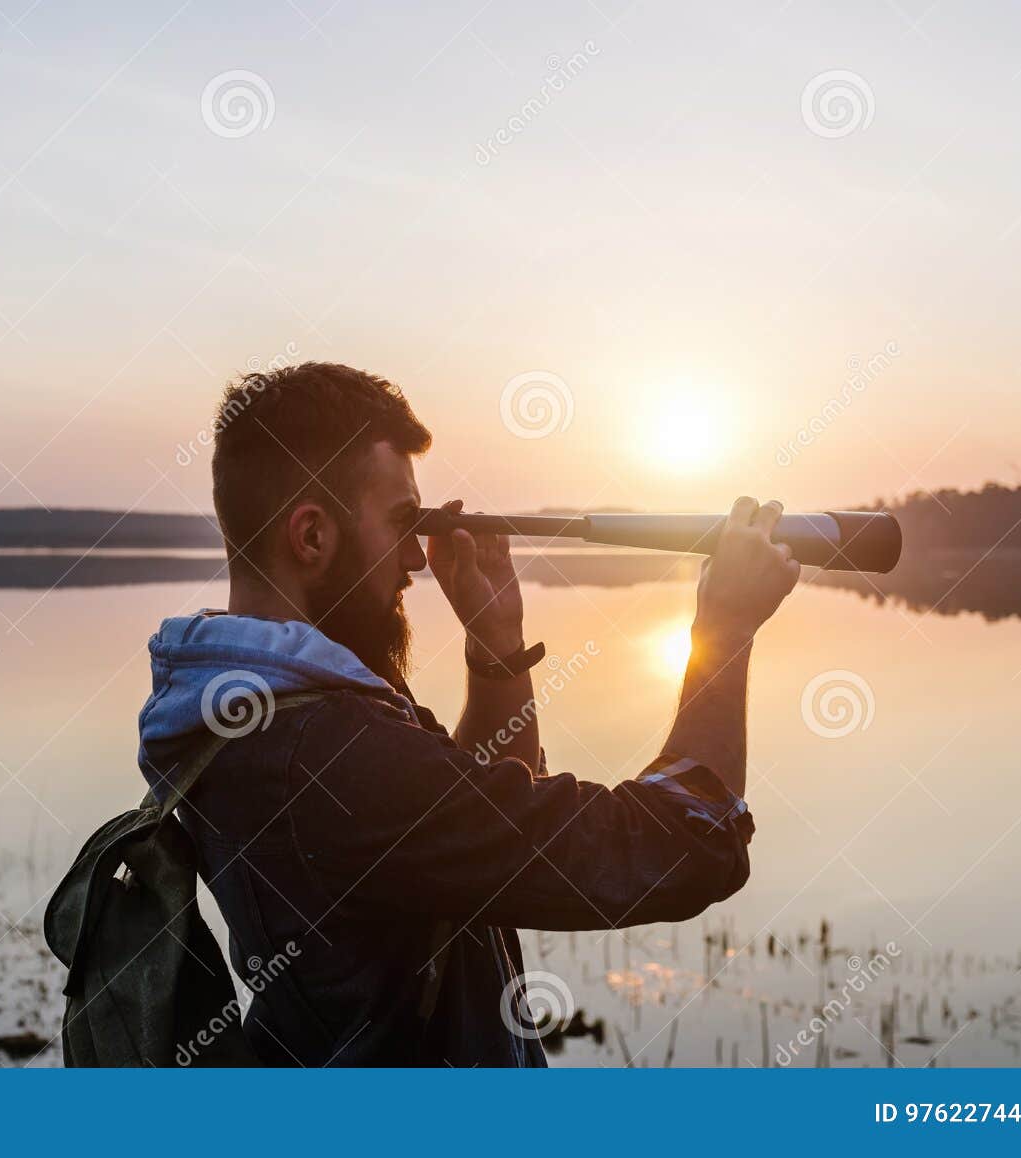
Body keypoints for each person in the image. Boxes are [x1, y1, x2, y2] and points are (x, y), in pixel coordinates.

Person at [137, 362, 799, 1066]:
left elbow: (465, 838)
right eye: (401, 523)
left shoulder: (249, 713)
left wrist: (496, 646)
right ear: (311, 537)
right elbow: (680, 849)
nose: (416, 560)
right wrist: (724, 636)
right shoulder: (325, 748)